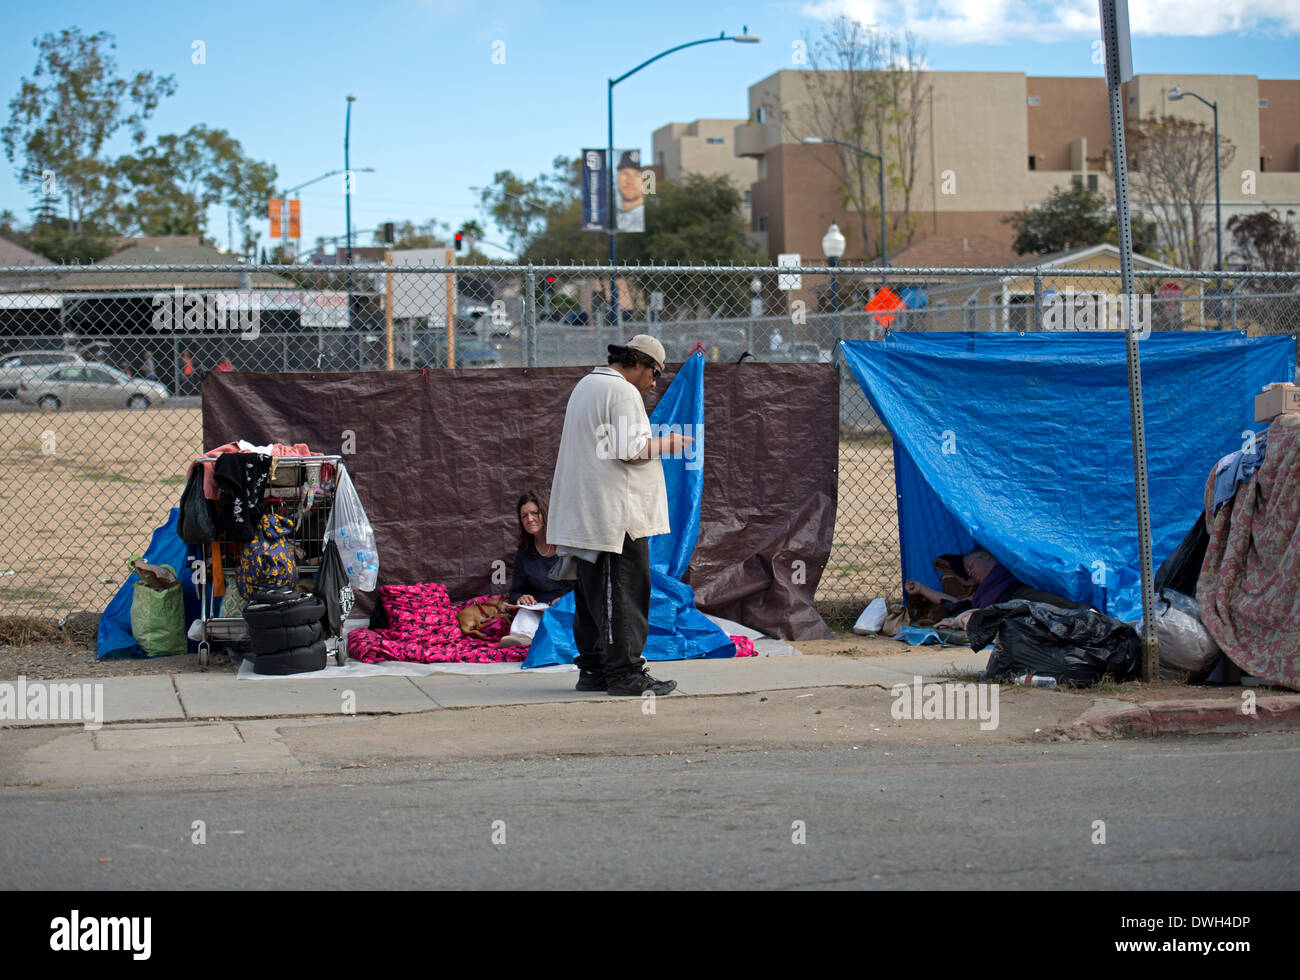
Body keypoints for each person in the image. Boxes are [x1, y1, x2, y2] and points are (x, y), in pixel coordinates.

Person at [547, 334, 693, 695]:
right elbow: (631, 450)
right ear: (640, 364)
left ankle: (595, 671)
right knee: (622, 595)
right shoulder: (623, 392)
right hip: (616, 520)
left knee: (593, 598)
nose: (654, 383)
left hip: (588, 514)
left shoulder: (586, 384)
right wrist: (670, 443)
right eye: (655, 373)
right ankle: (625, 674)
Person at [497, 491, 574, 649]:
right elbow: (516, 590)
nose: (530, 519)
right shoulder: (524, 553)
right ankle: (522, 641)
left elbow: (587, 585)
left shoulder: (566, 545)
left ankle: (557, 638)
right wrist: (522, 598)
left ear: (544, 514)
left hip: (568, 605)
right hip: (540, 608)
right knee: (524, 615)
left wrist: (565, 600)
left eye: (534, 513)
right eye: (524, 516)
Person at [905, 547, 1021, 629]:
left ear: (986, 555)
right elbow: (957, 603)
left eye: (971, 566)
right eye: (967, 572)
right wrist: (921, 589)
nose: (970, 573)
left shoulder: (1009, 570)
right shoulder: (982, 591)